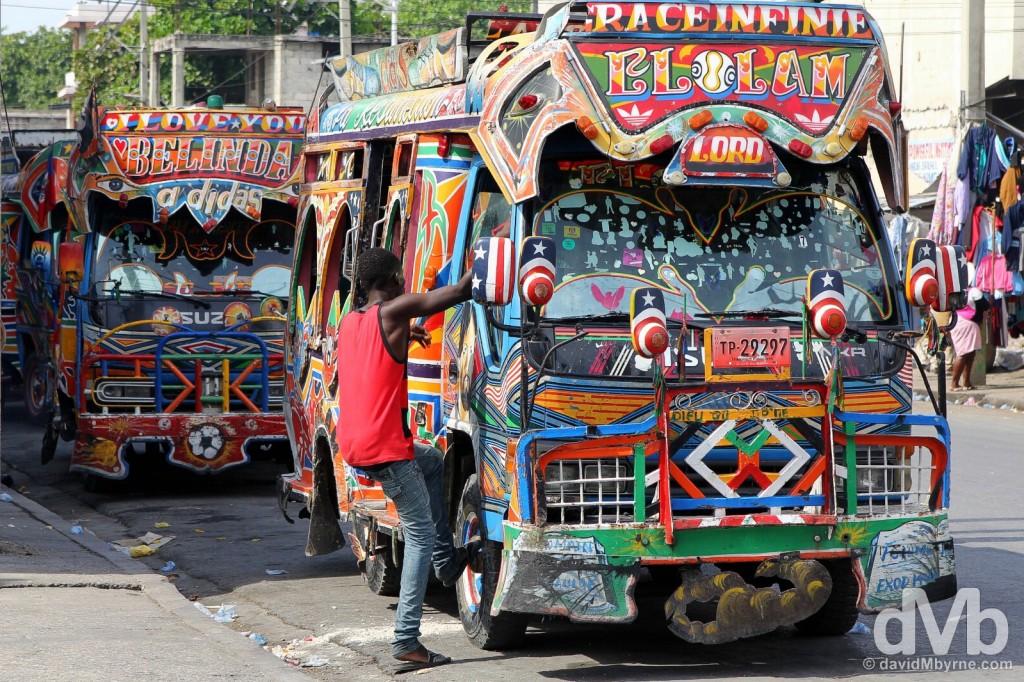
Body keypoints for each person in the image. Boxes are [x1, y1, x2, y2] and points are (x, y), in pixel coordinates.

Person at [337, 247, 477, 672]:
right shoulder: (396, 311)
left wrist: (407, 336)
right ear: (396, 278)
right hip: (384, 448)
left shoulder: (351, 320)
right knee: (417, 536)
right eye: (401, 276)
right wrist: (495, 246)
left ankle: (447, 561)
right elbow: (459, 292)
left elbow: (373, 354)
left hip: (355, 443)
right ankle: (406, 641)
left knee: (432, 461)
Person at [949, 288, 989, 391]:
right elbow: (985, 305)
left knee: (970, 353)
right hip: (965, 323)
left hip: (957, 321)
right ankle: (954, 384)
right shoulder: (974, 291)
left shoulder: (957, 290)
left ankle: (967, 382)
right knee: (963, 353)